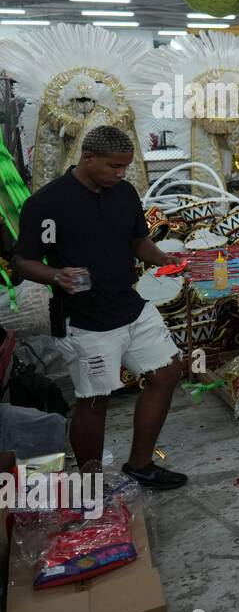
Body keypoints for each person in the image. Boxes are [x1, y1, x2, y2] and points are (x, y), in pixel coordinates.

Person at [12, 125, 187, 488]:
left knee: (166, 373)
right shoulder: (46, 204)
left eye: (125, 167)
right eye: (114, 166)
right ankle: (90, 483)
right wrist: (57, 275)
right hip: (85, 320)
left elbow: (139, 242)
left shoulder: (123, 194)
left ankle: (141, 464)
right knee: (95, 399)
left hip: (130, 306)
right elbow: (24, 261)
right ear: (87, 159)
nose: (121, 174)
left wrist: (166, 259)